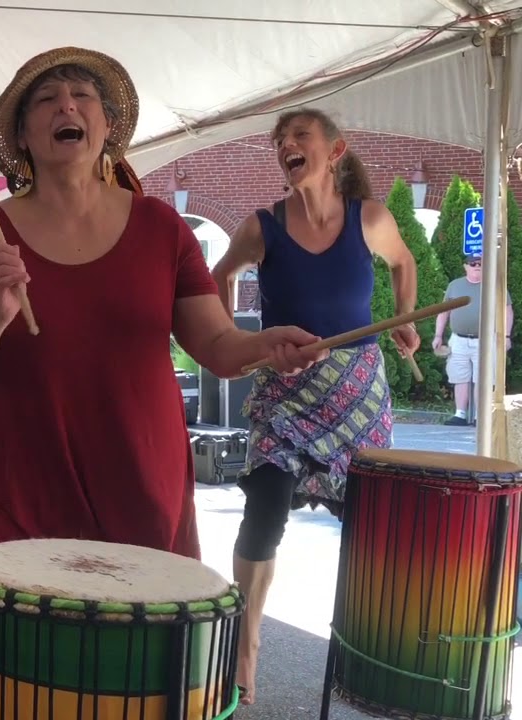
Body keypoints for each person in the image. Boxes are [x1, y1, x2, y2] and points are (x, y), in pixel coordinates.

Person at [0, 47, 328, 720]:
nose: (67, 106)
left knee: (134, 686)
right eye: (47, 100)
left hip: (141, 484)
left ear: (106, 126)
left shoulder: (162, 228)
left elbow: (218, 348)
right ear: (23, 135)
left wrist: (265, 347)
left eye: (82, 96)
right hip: (18, 487)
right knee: (13, 681)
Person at [211, 107, 418, 705]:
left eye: (299, 135)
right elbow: (219, 274)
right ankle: (245, 647)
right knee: (265, 509)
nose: (286, 145)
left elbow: (403, 262)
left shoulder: (370, 218)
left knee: (369, 526)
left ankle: (373, 650)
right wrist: (236, 343)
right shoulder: (262, 225)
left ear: (336, 151)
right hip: (286, 391)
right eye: (280, 140)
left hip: (357, 390)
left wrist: (406, 318)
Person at [433, 252, 512, 425]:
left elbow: (507, 311)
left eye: (480, 264)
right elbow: (443, 311)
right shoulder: (455, 286)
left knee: (482, 379)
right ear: (465, 266)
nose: (477, 267)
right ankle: (460, 414)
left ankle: (479, 416)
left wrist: (506, 336)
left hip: (485, 340)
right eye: (473, 264)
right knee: (459, 377)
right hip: (458, 340)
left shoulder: (495, 285)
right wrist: (438, 335)